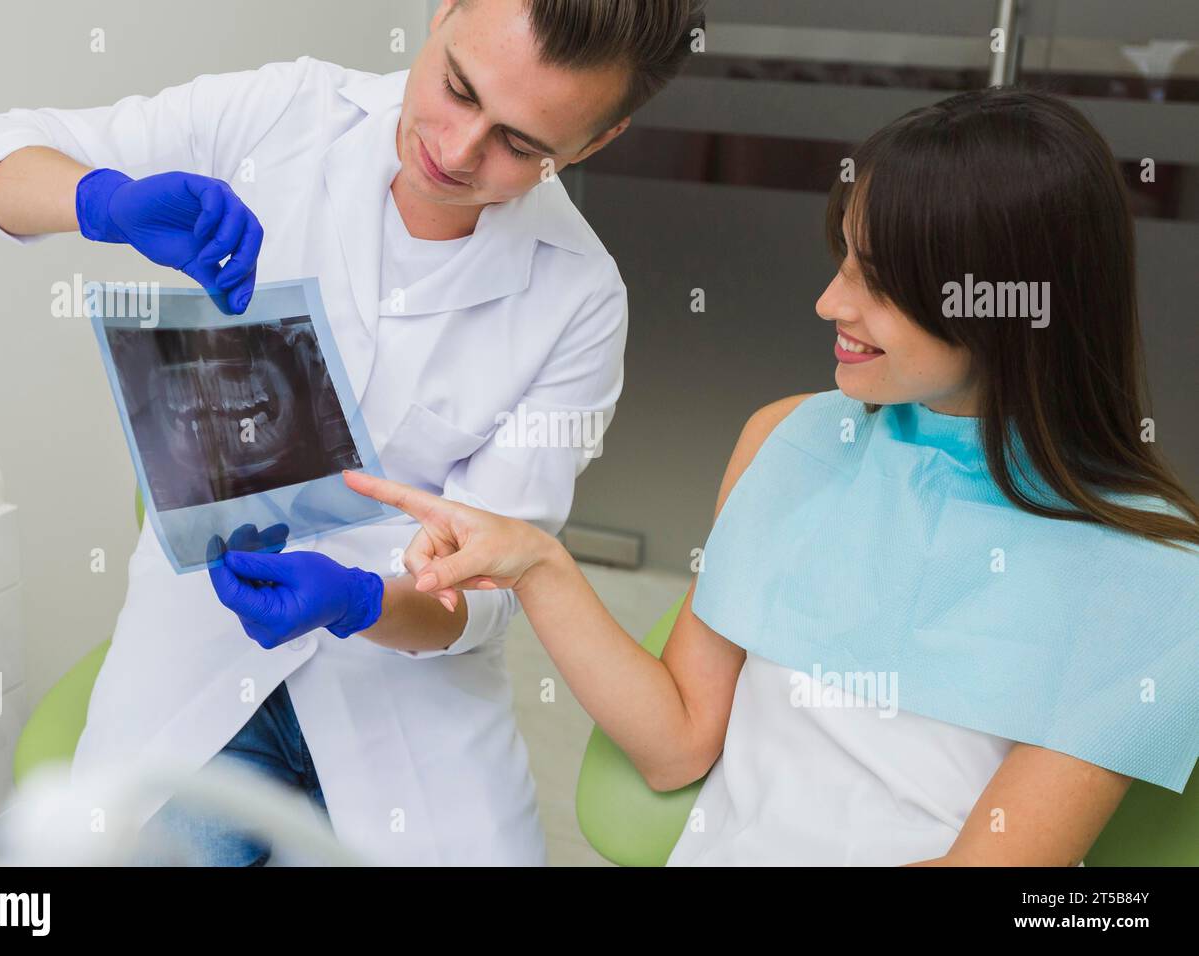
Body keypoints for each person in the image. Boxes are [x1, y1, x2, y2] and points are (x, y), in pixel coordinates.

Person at [0, 0, 707, 865]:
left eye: (521, 145)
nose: (455, 151)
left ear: (595, 144)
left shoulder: (579, 298)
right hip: (196, 665)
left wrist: (363, 602)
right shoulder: (285, 116)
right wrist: (102, 200)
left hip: (405, 701)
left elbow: (487, 591)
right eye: (456, 87)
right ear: (443, 11)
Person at [341, 88, 1199, 866]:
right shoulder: (790, 439)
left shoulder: (1144, 567)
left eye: (881, 283)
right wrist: (537, 563)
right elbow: (677, 742)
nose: (831, 302)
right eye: (845, 260)